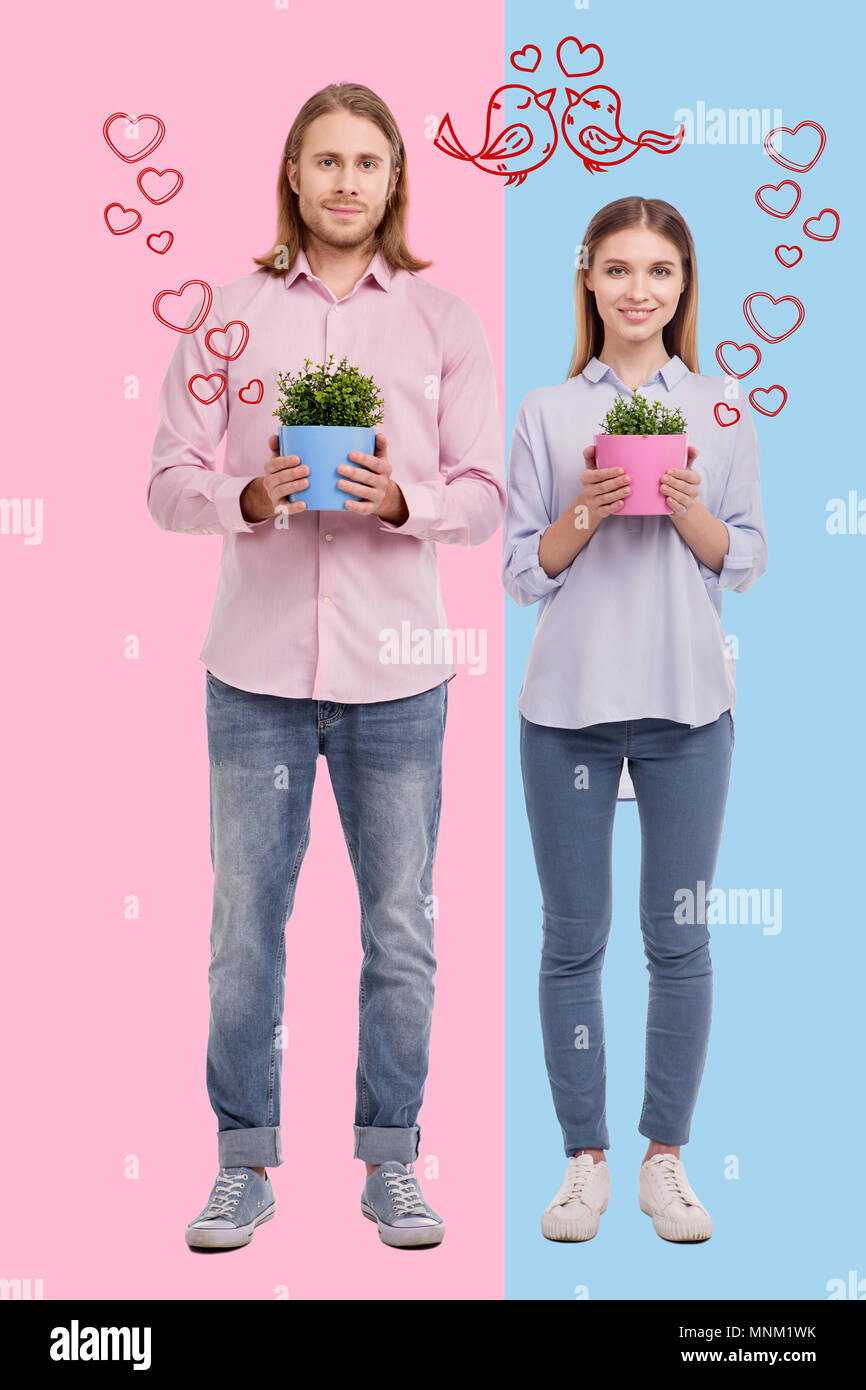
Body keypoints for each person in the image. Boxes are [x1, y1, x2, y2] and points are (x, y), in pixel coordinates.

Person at [147, 83, 505, 1251]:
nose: (347, 181)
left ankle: (388, 1161)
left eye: (368, 162)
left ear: (395, 179)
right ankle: (241, 1163)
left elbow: (490, 495)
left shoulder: (445, 322)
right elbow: (163, 478)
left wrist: (403, 500)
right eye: (326, 161)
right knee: (244, 925)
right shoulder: (226, 313)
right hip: (249, 673)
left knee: (399, 926)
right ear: (291, 177)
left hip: (396, 672)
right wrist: (242, 496)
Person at [502, 196, 767, 1244]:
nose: (637, 289)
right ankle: (583, 1161)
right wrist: (586, 509)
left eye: (658, 271)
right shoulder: (546, 412)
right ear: (586, 281)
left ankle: (664, 1156)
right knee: (572, 940)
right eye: (616, 269)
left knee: (679, 935)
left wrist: (689, 504)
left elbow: (742, 556)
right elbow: (522, 569)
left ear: (683, 285)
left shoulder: (723, 404)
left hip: (686, 704)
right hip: (566, 709)